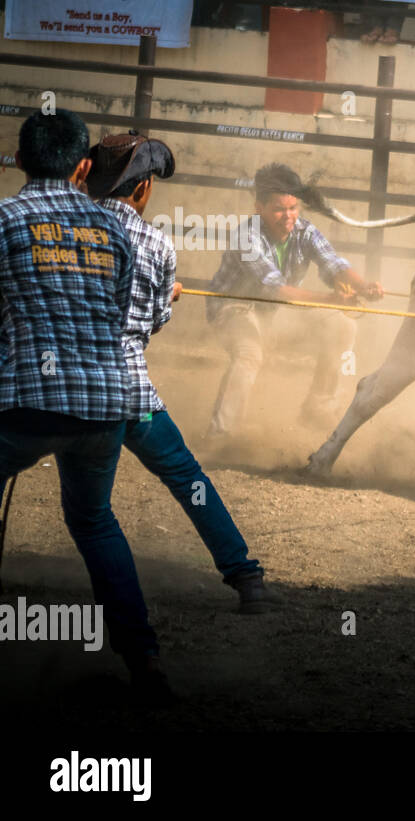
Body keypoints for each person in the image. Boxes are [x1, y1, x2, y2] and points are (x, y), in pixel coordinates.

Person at [0, 111, 170, 702]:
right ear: (81, 167)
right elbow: (126, 320)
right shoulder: (118, 230)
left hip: (28, 402)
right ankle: (144, 659)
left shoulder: (5, 220)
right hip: (105, 404)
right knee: (95, 522)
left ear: (18, 160)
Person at [85, 132, 272, 615]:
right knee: (186, 475)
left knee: (82, 501)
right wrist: (167, 301)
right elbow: (149, 324)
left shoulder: (65, 226)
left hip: (58, 391)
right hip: (129, 395)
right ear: (143, 188)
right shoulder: (156, 244)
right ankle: (244, 575)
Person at [205, 163, 384, 444]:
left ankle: (318, 408)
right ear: (259, 207)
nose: (288, 216)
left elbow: (334, 264)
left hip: (275, 315)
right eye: (279, 209)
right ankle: (220, 434)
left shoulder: (306, 231)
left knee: (342, 325)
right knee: (249, 353)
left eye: (293, 208)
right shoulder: (246, 237)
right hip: (233, 310)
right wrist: (333, 299)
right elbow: (276, 289)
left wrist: (363, 286)